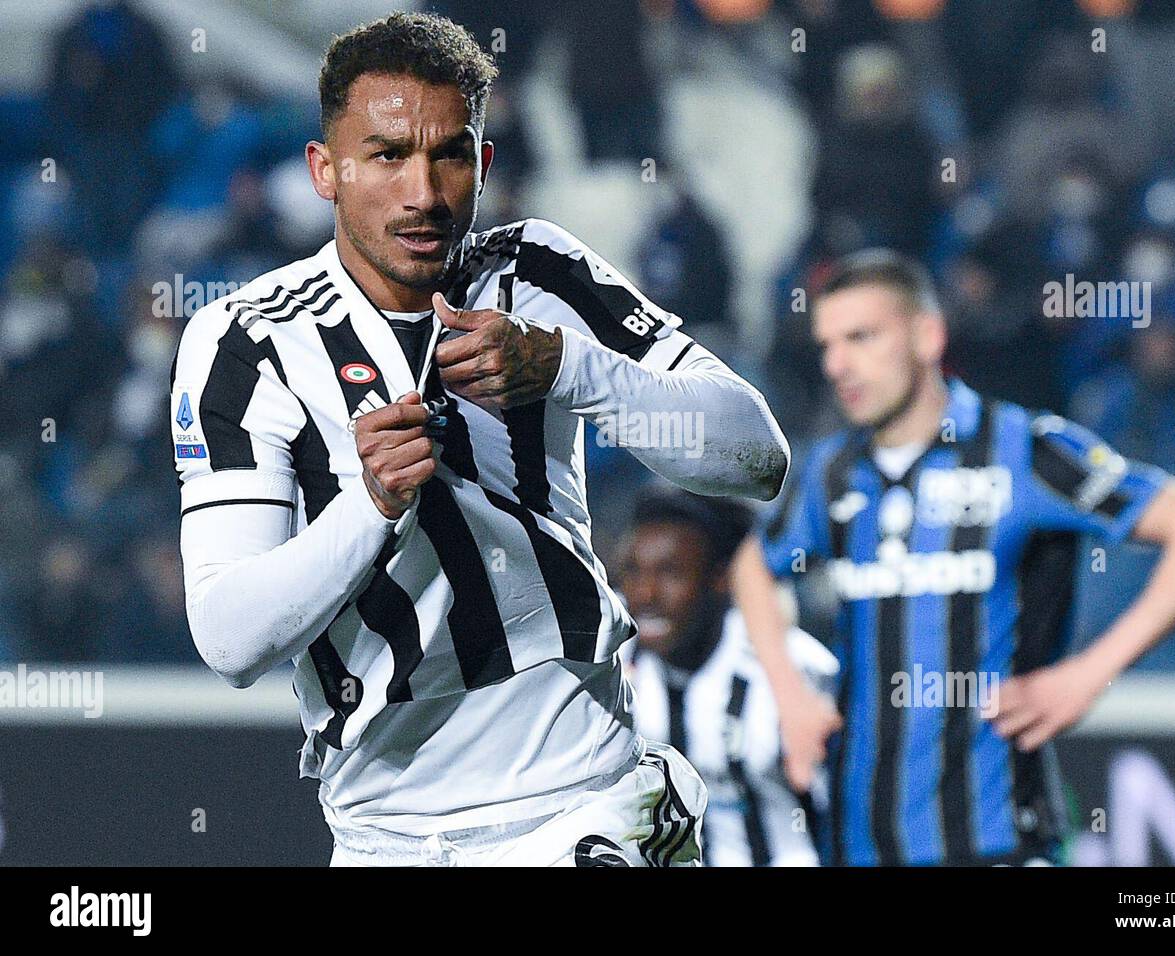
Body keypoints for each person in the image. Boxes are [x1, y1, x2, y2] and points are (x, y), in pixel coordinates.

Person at [170, 12, 789, 867]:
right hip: (381, 835)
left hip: (579, 805)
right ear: (326, 170)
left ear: (484, 162)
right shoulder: (244, 341)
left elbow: (757, 456)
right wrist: (371, 504)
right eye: (387, 155)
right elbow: (231, 641)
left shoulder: (537, 275)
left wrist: (570, 369)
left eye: (449, 154)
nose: (423, 193)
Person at [732, 249, 1175, 866]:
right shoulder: (830, 473)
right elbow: (753, 567)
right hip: (858, 843)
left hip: (1000, 839)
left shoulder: (1026, 450)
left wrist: (1089, 674)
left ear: (927, 334)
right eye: (827, 345)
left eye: (862, 337)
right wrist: (789, 696)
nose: (839, 364)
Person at [618, 488, 835, 866]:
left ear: (719, 578)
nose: (646, 593)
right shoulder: (611, 670)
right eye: (634, 572)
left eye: (670, 572)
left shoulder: (793, 671)